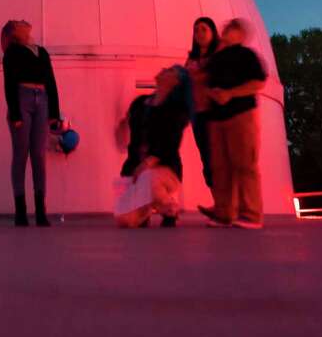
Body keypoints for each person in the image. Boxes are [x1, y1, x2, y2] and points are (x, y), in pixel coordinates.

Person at [204, 19, 267, 229]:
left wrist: (230, 94)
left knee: (244, 165)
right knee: (220, 168)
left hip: (240, 115)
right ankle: (224, 213)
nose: (226, 32)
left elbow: (259, 82)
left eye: (232, 29)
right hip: (217, 118)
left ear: (242, 35)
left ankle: (251, 214)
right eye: (227, 29)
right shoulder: (216, 59)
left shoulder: (247, 56)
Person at [1, 19, 61, 227]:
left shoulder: (41, 52)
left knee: (39, 155)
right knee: (21, 154)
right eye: (18, 23)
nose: (23, 22)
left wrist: (54, 112)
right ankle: (21, 212)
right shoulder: (12, 52)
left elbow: (51, 82)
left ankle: (41, 211)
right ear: (14, 32)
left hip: (42, 99)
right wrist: (15, 114)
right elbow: (9, 82)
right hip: (22, 97)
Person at [114, 67, 189, 228]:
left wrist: (147, 163)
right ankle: (145, 210)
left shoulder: (176, 109)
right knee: (123, 220)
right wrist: (122, 127)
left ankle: (170, 209)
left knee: (148, 178)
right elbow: (127, 127)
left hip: (165, 170)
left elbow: (170, 143)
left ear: (176, 83)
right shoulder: (140, 103)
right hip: (134, 168)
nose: (164, 70)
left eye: (170, 72)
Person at [184, 18, 220, 219]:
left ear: (213, 32)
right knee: (207, 160)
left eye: (204, 29)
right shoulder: (191, 60)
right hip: (198, 116)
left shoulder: (219, 57)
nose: (199, 33)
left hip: (216, 115)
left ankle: (230, 205)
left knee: (221, 160)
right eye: (196, 29)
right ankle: (219, 204)